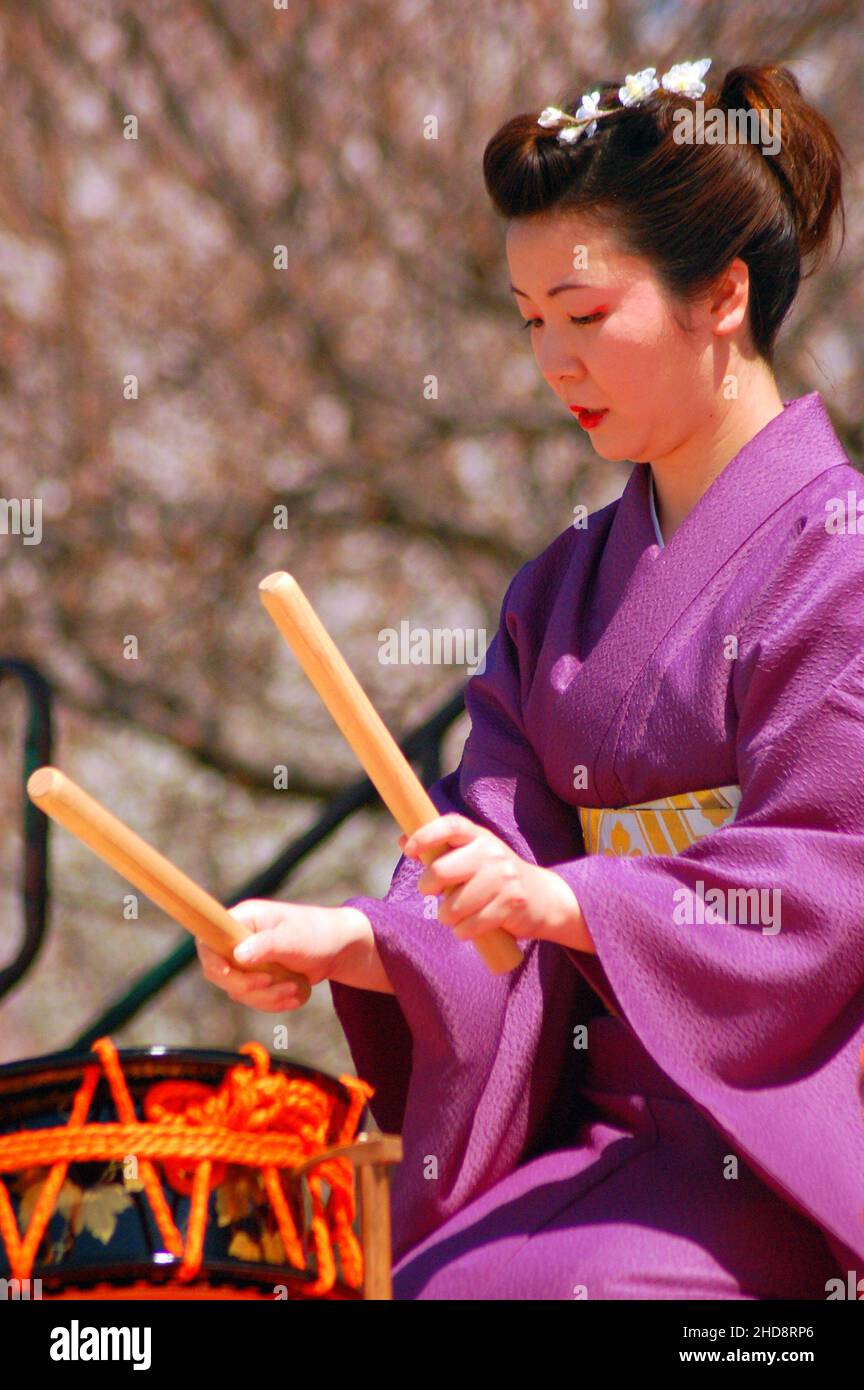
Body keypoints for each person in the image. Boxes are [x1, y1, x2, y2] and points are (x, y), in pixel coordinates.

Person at [197, 59, 864, 1299]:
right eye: (529, 320)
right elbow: (480, 854)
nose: (554, 361)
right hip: (590, 1137)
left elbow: (825, 880)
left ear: (721, 295)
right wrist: (345, 939)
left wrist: (578, 903)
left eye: (585, 312)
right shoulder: (555, 591)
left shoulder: (843, 562)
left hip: (771, 1148)